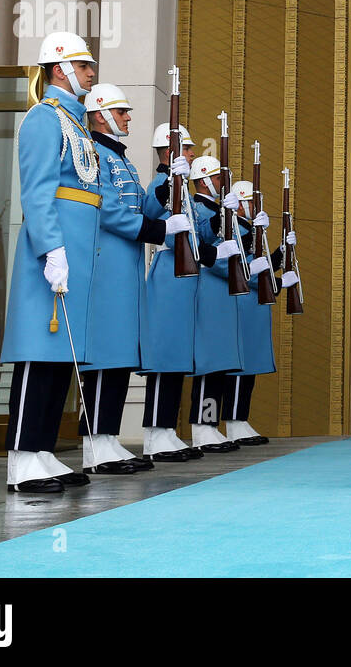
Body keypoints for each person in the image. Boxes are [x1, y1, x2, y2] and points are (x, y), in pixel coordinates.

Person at [0, 31, 100, 494]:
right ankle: (21, 458)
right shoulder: (44, 119)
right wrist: (51, 247)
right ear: (60, 69)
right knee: (39, 353)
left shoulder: (76, 124)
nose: (91, 74)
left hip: (74, 251)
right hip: (53, 251)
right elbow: (37, 191)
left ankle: (42, 451)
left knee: (62, 356)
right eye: (84, 67)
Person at [80, 84, 193, 474]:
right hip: (105, 263)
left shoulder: (122, 160)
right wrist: (161, 233)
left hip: (125, 266)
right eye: (121, 111)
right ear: (100, 113)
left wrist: (166, 183)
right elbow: (109, 212)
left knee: (120, 355)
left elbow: (143, 207)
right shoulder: (94, 154)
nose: (128, 117)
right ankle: (94, 443)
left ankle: (108, 438)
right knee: (103, 355)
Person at [143, 122, 206, 461]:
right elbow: (150, 212)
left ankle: (166, 429)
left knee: (178, 355)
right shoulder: (161, 183)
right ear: (170, 153)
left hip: (186, 276)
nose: (193, 153)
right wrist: (168, 180)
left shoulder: (184, 190)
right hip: (169, 273)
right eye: (187, 148)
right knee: (165, 355)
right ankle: (155, 432)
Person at [187, 155, 244, 453]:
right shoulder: (199, 209)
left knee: (219, 362)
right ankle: (202, 425)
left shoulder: (219, 209)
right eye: (219, 179)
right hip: (208, 286)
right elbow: (202, 245)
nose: (223, 184)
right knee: (209, 363)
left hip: (222, 292)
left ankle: (210, 425)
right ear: (205, 180)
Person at [223, 179, 286, 445]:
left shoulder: (249, 229)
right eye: (251, 202)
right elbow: (243, 270)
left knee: (249, 367)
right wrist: (279, 282)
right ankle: (233, 421)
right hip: (241, 302)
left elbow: (260, 265)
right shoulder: (237, 229)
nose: (255, 207)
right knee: (240, 365)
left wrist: (280, 255)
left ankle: (241, 418)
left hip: (253, 303)